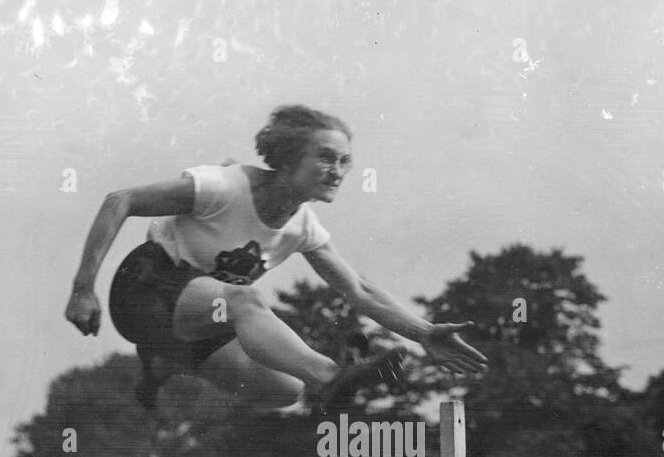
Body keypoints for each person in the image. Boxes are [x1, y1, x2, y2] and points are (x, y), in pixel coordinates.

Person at [65, 104, 487, 410]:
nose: (337, 170)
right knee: (244, 301)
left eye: (345, 161)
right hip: (144, 288)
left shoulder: (304, 228)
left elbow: (359, 291)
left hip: (195, 320)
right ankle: (330, 374)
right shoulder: (223, 187)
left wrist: (424, 333)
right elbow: (119, 200)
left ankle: (164, 362)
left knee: (286, 390)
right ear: (287, 159)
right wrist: (83, 290)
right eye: (324, 157)